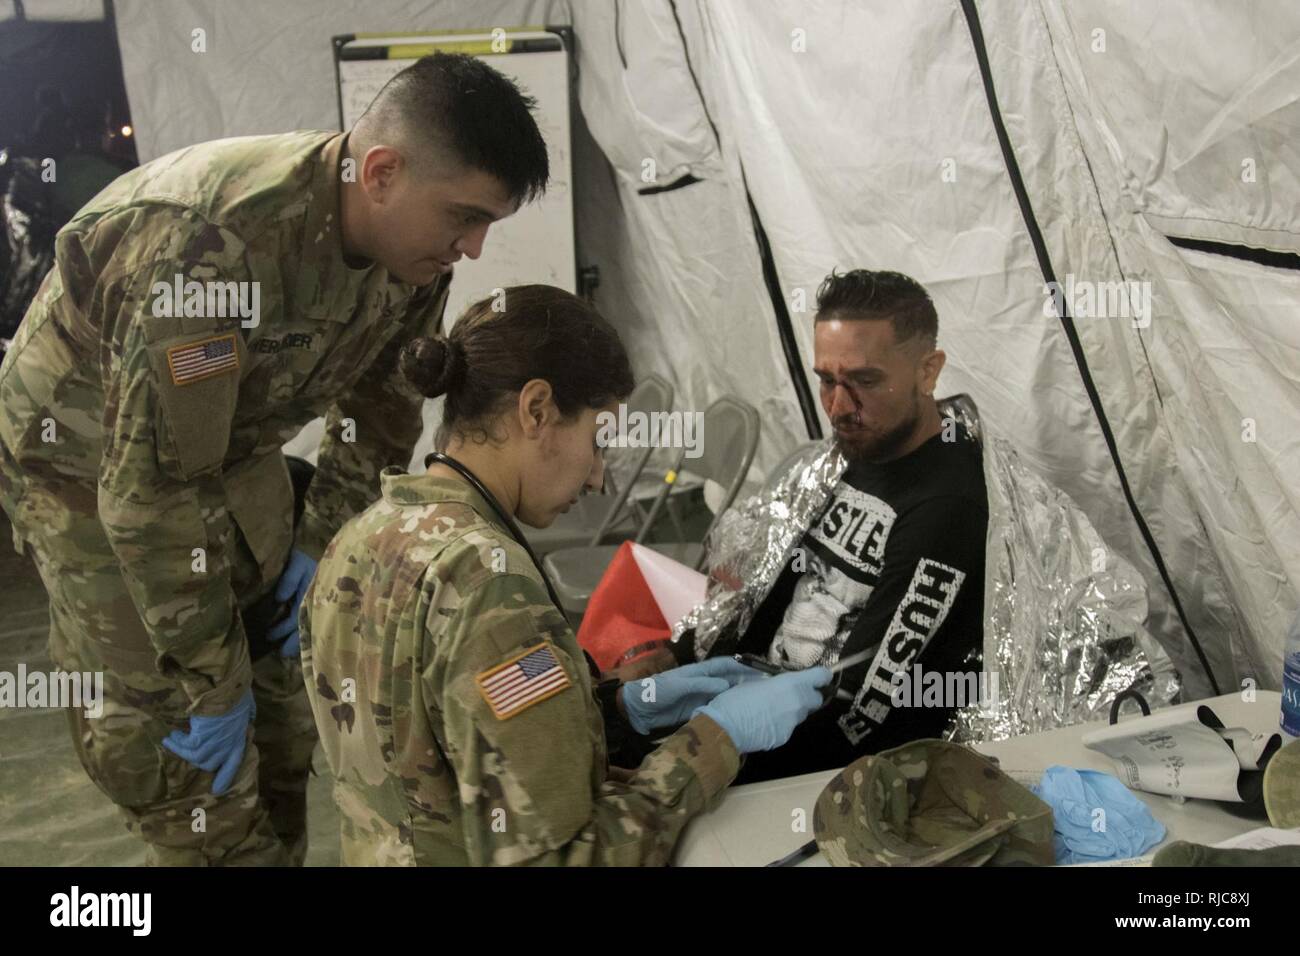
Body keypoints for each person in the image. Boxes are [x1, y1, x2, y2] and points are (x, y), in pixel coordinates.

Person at [0, 52, 547, 865]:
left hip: (229, 449)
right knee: (188, 762)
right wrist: (208, 685)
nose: (471, 250)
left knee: (287, 720)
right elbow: (146, 494)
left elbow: (379, 411)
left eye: (487, 226)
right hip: (80, 472)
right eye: (463, 217)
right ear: (384, 173)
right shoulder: (212, 241)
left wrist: (317, 545)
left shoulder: (412, 252)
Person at [300, 285, 831, 866]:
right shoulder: (488, 584)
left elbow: (449, 736)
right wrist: (714, 741)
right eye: (598, 441)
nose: (601, 477)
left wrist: (616, 709)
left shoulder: (362, 535)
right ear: (536, 410)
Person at [691, 269, 989, 783]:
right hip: (761, 712)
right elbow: (769, 592)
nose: (837, 407)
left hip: (822, 767)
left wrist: (707, 761)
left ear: (928, 371)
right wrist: (692, 672)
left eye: (865, 381)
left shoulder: (945, 505)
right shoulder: (863, 445)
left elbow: (863, 711)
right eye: (826, 379)